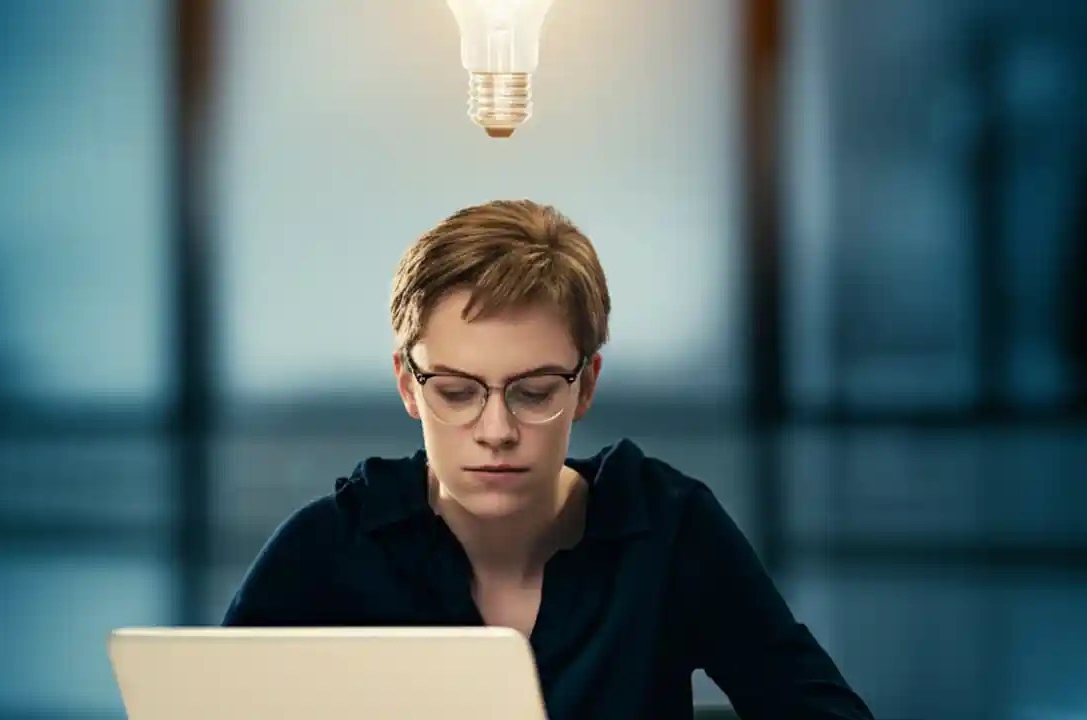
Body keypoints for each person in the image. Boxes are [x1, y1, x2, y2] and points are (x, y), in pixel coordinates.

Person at [222, 199, 874, 719]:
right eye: (456, 392)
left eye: (533, 393)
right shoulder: (330, 544)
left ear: (586, 385)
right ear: (406, 385)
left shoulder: (669, 528)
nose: (496, 430)